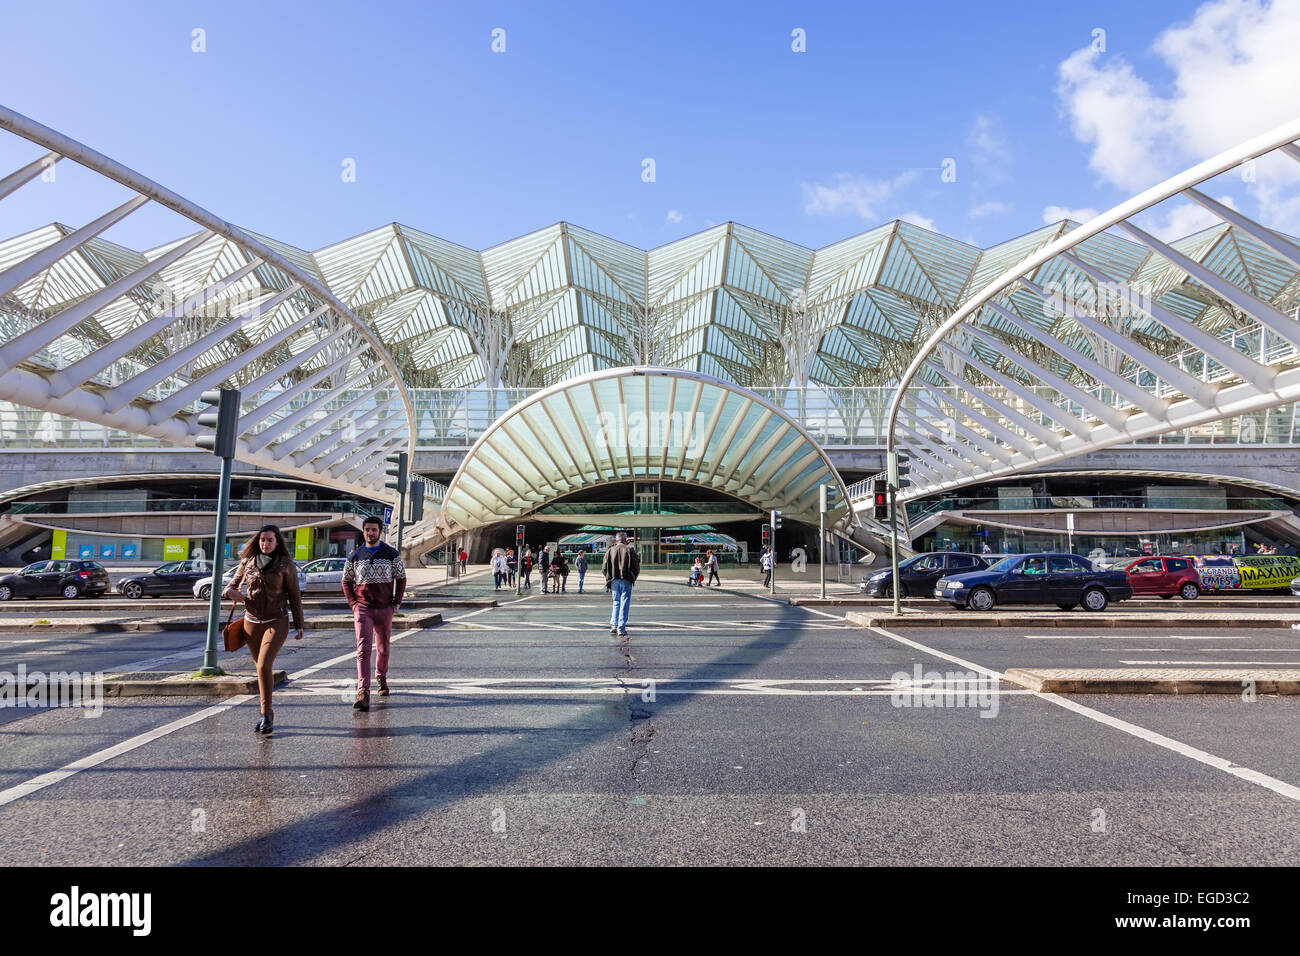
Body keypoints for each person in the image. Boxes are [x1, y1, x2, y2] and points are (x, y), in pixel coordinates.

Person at [224, 524, 304, 735]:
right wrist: (232, 592)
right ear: (257, 542)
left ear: (277, 542)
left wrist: (299, 624)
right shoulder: (247, 563)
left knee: (263, 665)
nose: (265, 544)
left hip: (276, 620)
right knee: (261, 670)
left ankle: (266, 715)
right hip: (251, 622)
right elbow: (230, 586)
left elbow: (294, 595)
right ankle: (265, 713)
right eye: (262, 540)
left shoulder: (286, 564)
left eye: (270, 540)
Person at [341, 516, 407, 712]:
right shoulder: (355, 556)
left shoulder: (391, 554)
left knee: (383, 648)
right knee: (362, 650)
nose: (370, 533)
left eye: (374, 530)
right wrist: (353, 603)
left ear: (380, 532)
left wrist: (396, 603)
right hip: (362, 608)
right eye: (367, 530)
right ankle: (363, 691)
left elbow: (401, 578)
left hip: (385, 608)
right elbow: (346, 581)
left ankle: (381, 676)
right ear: (363, 532)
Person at [602, 532, 640, 635]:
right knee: (624, 603)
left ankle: (613, 625)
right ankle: (621, 628)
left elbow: (604, 568)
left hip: (614, 580)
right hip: (626, 579)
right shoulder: (629, 550)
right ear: (625, 539)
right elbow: (636, 567)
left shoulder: (610, 550)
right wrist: (633, 577)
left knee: (616, 602)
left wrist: (608, 578)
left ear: (616, 540)